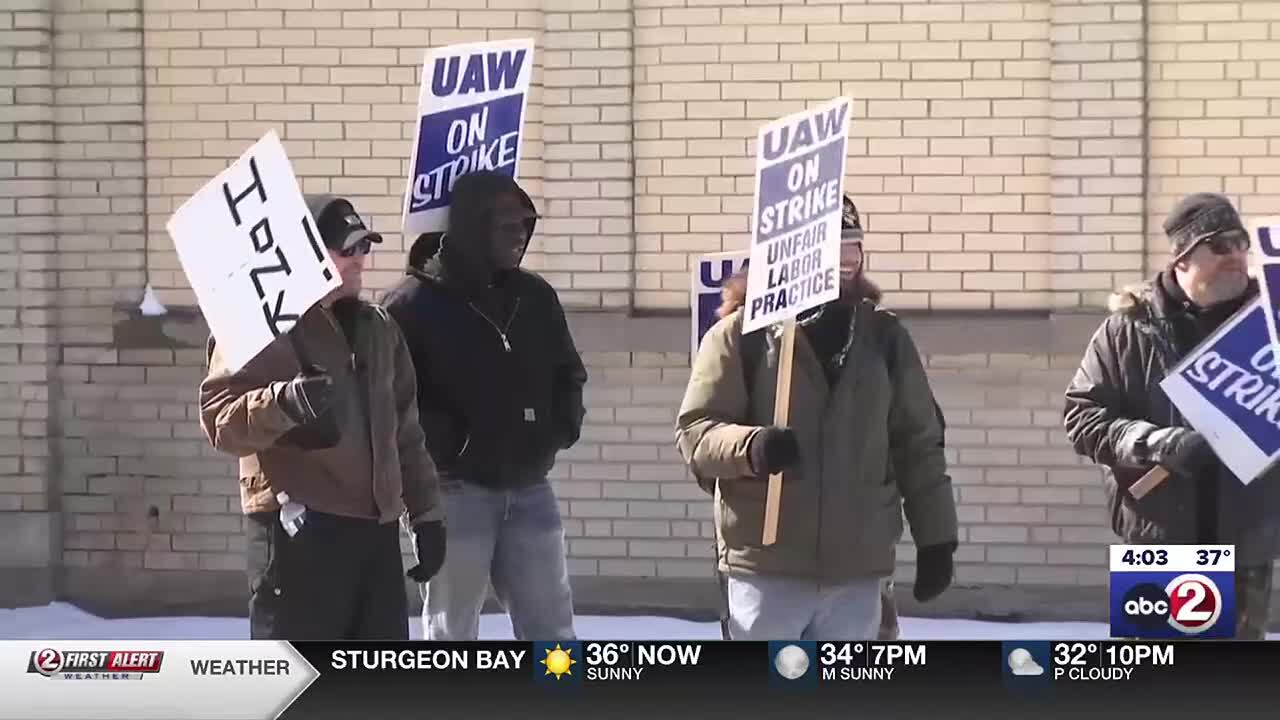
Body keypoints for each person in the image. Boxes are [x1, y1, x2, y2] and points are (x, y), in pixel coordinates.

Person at [676, 196, 958, 640]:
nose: (850, 260)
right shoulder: (740, 338)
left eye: (855, 247)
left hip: (858, 571)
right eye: (836, 247)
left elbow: (918, 443)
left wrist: (937, 536)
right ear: (795, 252)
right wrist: (751, 448)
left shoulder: (884, 337)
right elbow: (696, 434)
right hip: (767, 567)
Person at [199, 194, 446, 641]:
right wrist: (284, 402)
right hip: (300, 532)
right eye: (345, 249)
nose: (358, 261)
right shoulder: (258, 322)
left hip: (376, 536)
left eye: (364, 248)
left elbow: (405, 431)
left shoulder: (379, 327)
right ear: (304, 253)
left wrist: (425, 513)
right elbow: (221, 421)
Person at [1064, 192, 1280, 640]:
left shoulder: (1271, 326)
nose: (1236, 255)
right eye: (1219, 245)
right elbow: (1083, 417)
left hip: (1245, 539)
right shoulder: (1128, 329)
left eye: (1241, 243)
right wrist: (1158, 443)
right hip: (1159, 540)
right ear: (1182, 258)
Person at [383, 171, 587, 641]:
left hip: (531, 489)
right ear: (474, 227)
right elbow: (392, 401)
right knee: (452, 633)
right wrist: (452, 445)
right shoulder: (411, 305)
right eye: (507, 227)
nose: (520, 238)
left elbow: (568, 374)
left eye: (525, 226)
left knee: (553, 632)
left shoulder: (534, 297)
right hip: (455, 493)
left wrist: (554, 433)